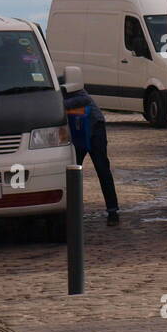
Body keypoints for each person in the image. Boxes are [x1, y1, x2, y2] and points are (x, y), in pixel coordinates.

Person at [61, 72, 120, 225]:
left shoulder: (71, 88)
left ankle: (113, 211)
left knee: (102, 169)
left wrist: (60, 104)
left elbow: (85, 99)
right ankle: (71, 212)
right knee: (72, 174)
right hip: (78, 133)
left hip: (95, 129)